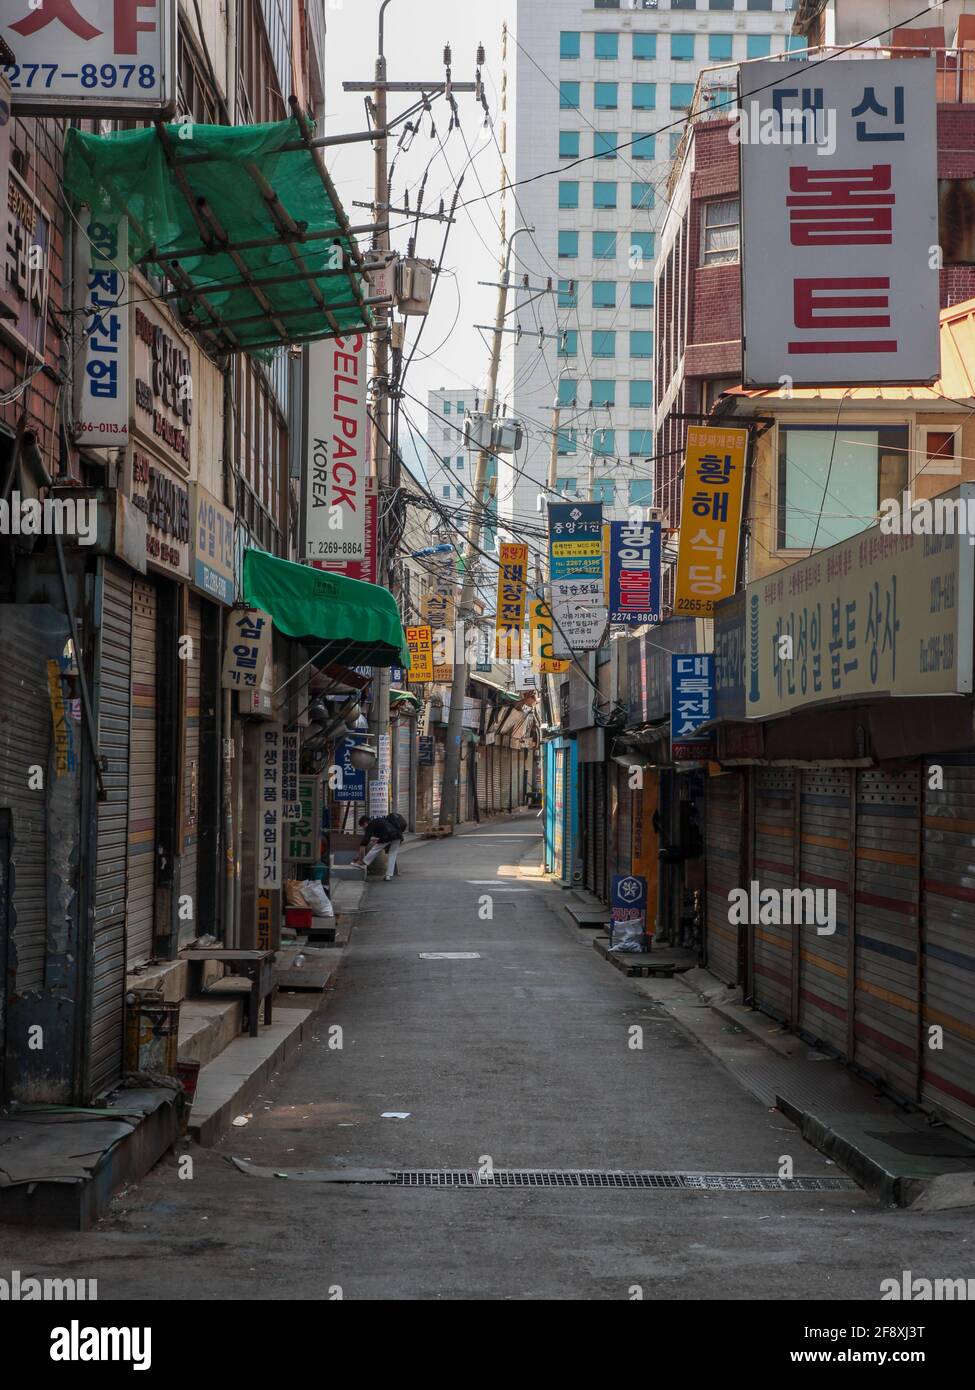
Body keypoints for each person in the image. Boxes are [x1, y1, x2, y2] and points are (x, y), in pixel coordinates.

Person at [354, 812, 406, 881]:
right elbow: (384, 830)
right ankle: (388, 875)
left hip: (388, 836)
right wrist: (378, 840)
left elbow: (365, 841)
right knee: (392, 855)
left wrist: (359, 857)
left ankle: (364, 862)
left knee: (375, 849)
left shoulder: (371, 825)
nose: (363, 828)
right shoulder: (380, 820)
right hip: (398, 835)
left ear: (366, 823)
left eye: (362, 826)